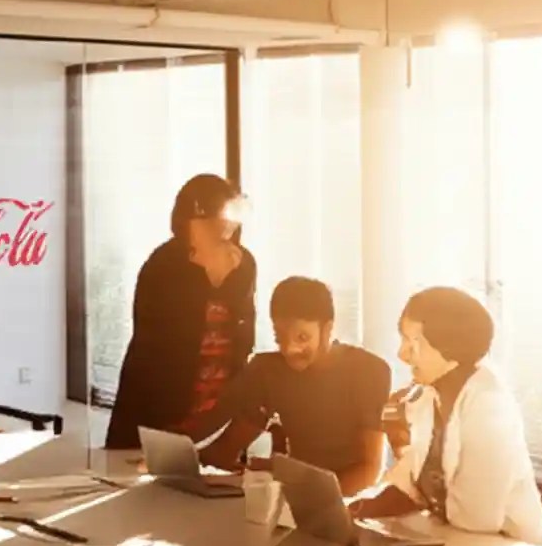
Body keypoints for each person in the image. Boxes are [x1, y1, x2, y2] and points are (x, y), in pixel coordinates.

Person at [350, 287, 542, 546]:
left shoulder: (488, 402)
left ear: (449, 344)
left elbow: (477, 518)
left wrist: (420, 501)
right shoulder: (426, 399)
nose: (402, 354)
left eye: (413, 342)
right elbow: (410, 485)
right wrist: (350, 510)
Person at [188, 277, 391, 495]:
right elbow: (229, 446)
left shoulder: (368, 371)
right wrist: (189, 466)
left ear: (328, 329)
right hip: (294, 493)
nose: (289, 349)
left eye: (302, 337)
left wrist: (316, 498)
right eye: (279, 337)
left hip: (348, 499)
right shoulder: (269, 370)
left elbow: (370, 469)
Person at [105, 173, 257, 449]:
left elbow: (244, 334)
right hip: (160, 406)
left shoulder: (243, 263)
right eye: (218, 218)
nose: (227, 227)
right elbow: (158, 343)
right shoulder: (163, 264)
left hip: (216, 407)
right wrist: (212, 279)